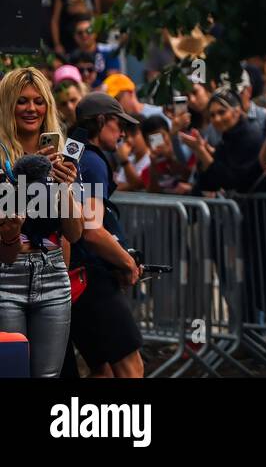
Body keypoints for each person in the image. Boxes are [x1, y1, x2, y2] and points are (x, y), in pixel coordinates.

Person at [0, 69, 82, 377]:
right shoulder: (1, 157)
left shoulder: (64, 157)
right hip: (6, 278)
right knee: (11, 374)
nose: (31, 109)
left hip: (53, 279)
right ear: (7, 105)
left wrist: (64, 187)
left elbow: (74, 233)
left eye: (38, 101)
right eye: (21, 101)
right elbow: (6, 250)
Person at [64, 92, 145, 377]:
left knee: (103, 371)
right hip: (92, 279)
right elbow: (92, 231)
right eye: (118, 123)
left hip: (74, 281)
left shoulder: (71, 152)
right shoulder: (94, 160)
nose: (123, 132)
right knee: (131, 369)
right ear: (100, 121)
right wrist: (126, 261)